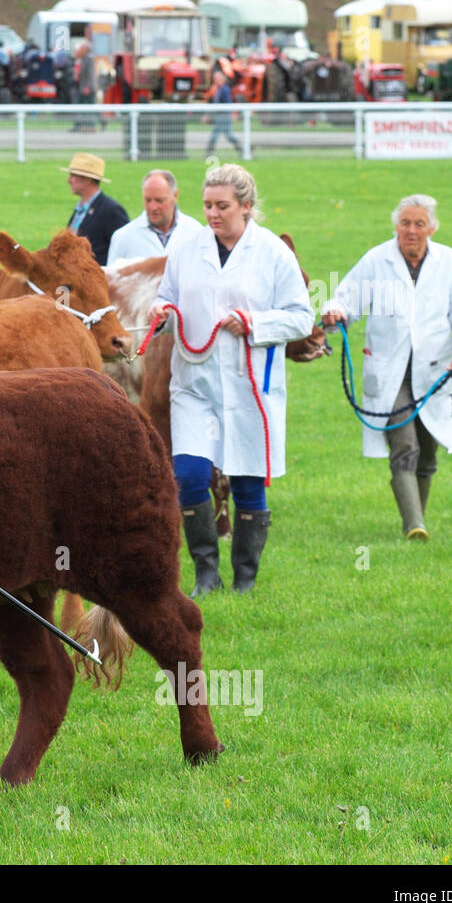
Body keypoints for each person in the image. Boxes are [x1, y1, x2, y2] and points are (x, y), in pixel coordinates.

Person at [147, 164, 313, 595]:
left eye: (222, 206)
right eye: (207, 206)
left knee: (246, 480)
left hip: (250, 387)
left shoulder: (274, 252)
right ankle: (206, 574)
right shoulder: (188, 249)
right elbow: (168, 296)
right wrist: (161, 313)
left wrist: (255, 323)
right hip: (195, 384)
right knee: (188, 474)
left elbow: (301, 318)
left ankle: (245, 580)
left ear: (247, 206)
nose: (213, 214)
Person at [321, 195, 452, 541]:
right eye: (405, 223)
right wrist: (335, 311)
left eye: (419, 224)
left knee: (427, 451)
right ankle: (413, 525)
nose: (411, 230)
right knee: (404, 444)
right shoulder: (376, 261)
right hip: (389, 374)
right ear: (396, 226)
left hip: (435, 372)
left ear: (432, 228)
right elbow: (346, 298)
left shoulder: (450, 264)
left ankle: (417, 518)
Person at [107, 169, 205, 263]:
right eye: (148, 200)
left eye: (159, 200)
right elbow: (111, 279)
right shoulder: (123, 237)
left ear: (175, 196)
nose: (153, 207)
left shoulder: (195, 232)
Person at [62, 152, 130, 266]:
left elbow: (125, 247)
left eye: (73, 176)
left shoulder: (111, 210)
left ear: (88, 179)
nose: (68, 180)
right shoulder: (81, 208)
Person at [206, 68, 242, 157]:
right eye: (214, 79)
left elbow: (227, 104)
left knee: (218, 136)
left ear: (222, 79)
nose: (215, 80)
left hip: (224, 117)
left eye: (216, 78)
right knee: (229, 136)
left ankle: (208, 154)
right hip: (220, 117)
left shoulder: (224, 89)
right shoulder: (217, 89)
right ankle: (243, 150)